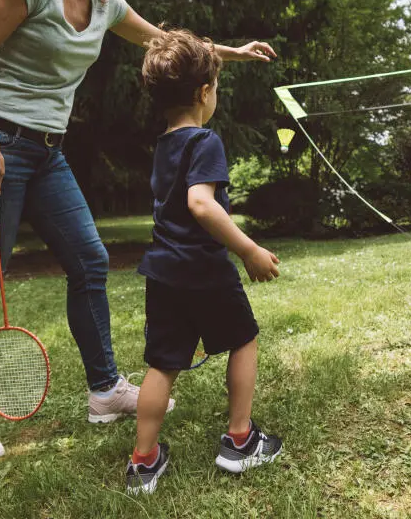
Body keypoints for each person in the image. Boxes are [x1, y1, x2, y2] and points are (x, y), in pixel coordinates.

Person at [0, 0, 279, 461]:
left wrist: (232, 52)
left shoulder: (104, 2)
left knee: (90, 260)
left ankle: (104, 390)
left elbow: (166, 40)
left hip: (47, 152)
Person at [125, 29, 283, 495]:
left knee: (162, 365)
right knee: (244, 339)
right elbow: (201, 204)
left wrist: (223, 53)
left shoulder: (164, 144)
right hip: (205, 270)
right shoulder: (204, 141)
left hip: (163, 271)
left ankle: (143, 462)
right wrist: (248, 249)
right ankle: (239, 440)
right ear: (204, 92)